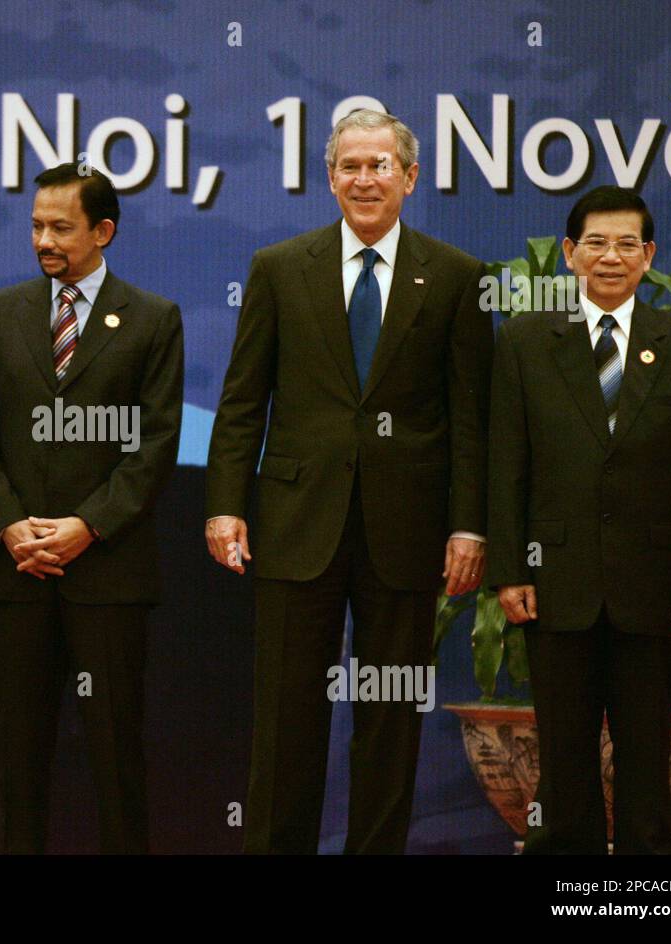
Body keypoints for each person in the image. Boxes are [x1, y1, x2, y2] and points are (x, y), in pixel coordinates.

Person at [204, 108, 492, 853]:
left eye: (380, 165)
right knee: (286, 716)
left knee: (390, 717)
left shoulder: (456, 277)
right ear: (330, 179)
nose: (366, 178)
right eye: (351, 166)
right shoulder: (278, 267)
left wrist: (467, 525)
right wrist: (226, 507)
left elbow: (470, 416)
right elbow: (242, 402)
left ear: (410, 177)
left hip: (408, 529)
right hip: (297, 523)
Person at [488, 186, 671, 854]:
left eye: (627, 244)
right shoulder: (526, 342)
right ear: (570, 254)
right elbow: (507, 464)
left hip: (655, 589)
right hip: (554, 582)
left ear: (649, 257)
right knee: (564, 769)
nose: (610, 256)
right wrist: (509, 568)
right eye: (596, 242)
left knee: (646, 769)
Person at [0, 163, 183, 853]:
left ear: (103, 231)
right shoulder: (2, 312)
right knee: (20, 757)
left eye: (61, 227)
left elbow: (155, 441)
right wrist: (9, 524)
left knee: (115, 756)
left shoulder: (151, 318)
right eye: (36, 225)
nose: (44, 240)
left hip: (107, 571)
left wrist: (90, 525)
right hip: (18, 569)